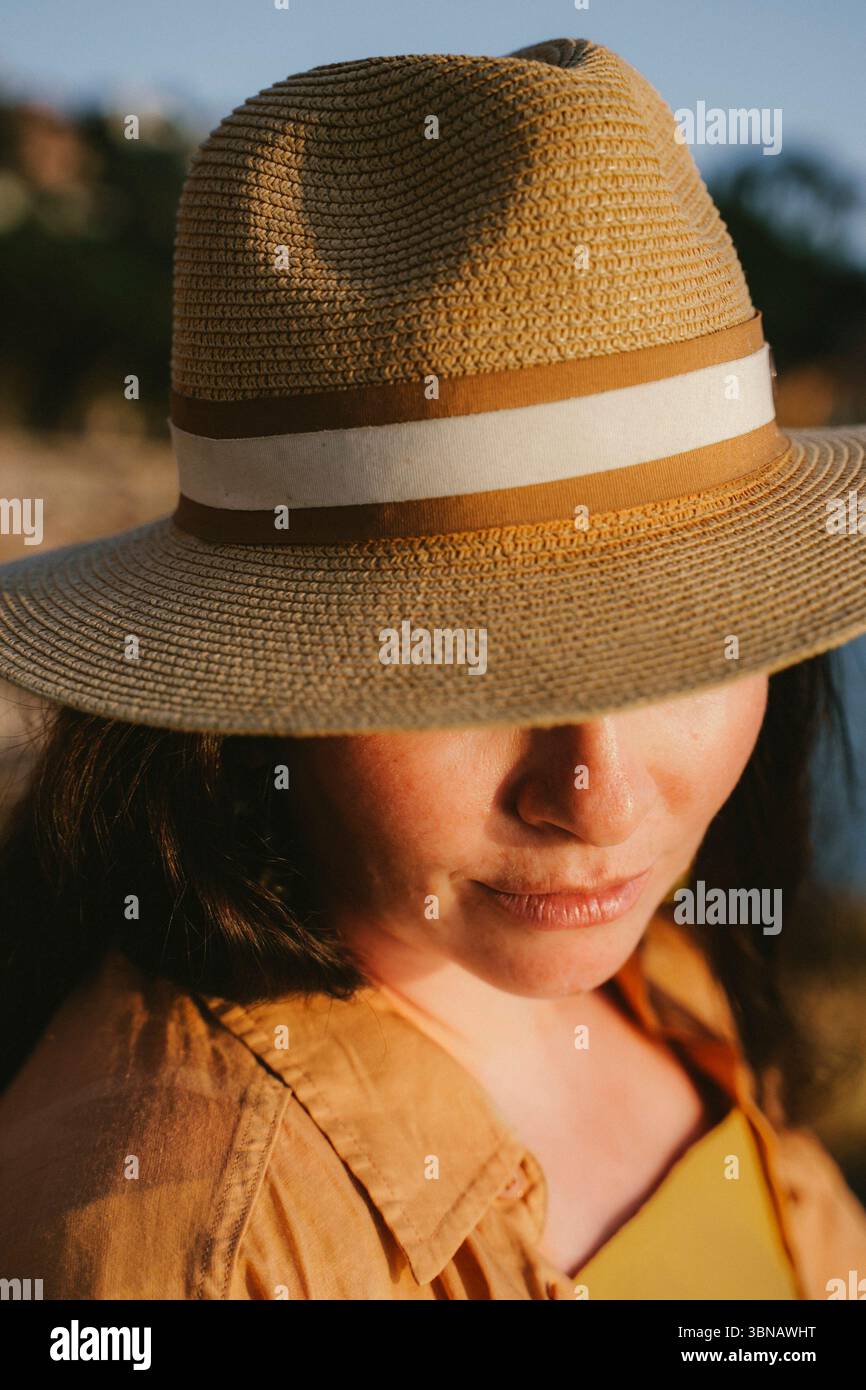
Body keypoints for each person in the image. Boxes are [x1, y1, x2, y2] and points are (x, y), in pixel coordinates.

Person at [1, 35, 866, 1301]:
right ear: (247, 693)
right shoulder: (188, 1241)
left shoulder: (654, 971)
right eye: (473, 682)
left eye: (679, 650)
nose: (600, 797)